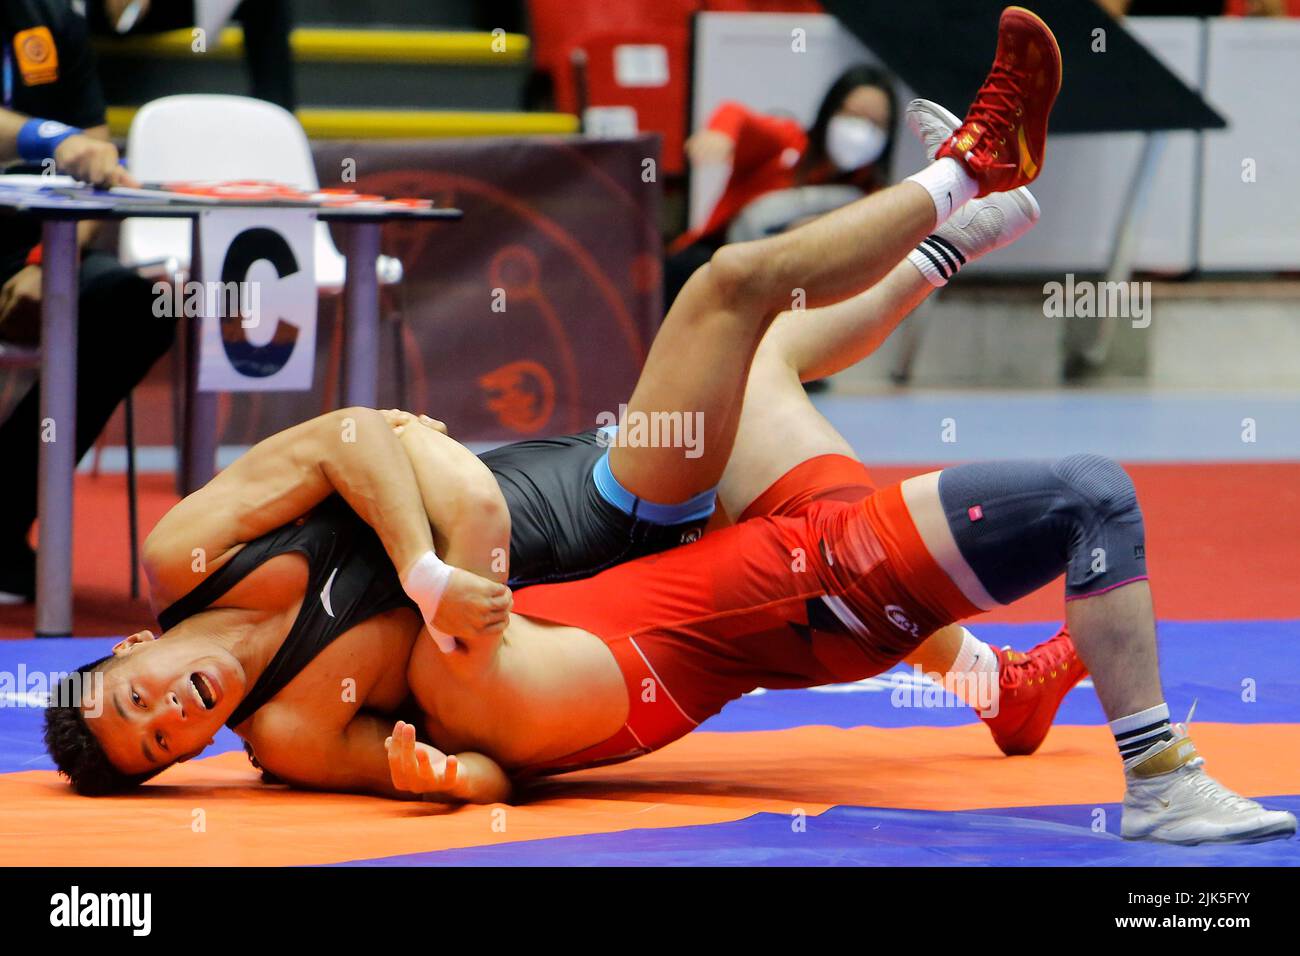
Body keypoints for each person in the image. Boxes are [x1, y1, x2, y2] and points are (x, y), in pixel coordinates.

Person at [50, 6, 1283, 846]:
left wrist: (428, 567)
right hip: (606, 546)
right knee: (730, 296)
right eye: (164, 746)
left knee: (769, 361)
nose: (174, 714)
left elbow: (346, 439)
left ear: (133, 649)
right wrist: (432, 773)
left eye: (140, 698)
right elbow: (468, 742)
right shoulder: (292, 726)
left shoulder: (187, 555)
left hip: (582, 499)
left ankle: (961, 236)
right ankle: (968, 174)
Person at [0, 0, 174, 603]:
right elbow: (71, 142)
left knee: (133, 310)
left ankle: (1, 517)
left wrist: (49, 265)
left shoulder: (50, 19)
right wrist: (49, 135)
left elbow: (96, 162)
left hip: (33, 246)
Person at [665, 63, 897, 308]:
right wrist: (721, 134)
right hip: (713, 265)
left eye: (876, 123)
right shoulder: (786, 143)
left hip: (788, 295)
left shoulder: (872, 195)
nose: (861, 132)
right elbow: (736, 114)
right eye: (854, 115)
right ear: (831, 110)